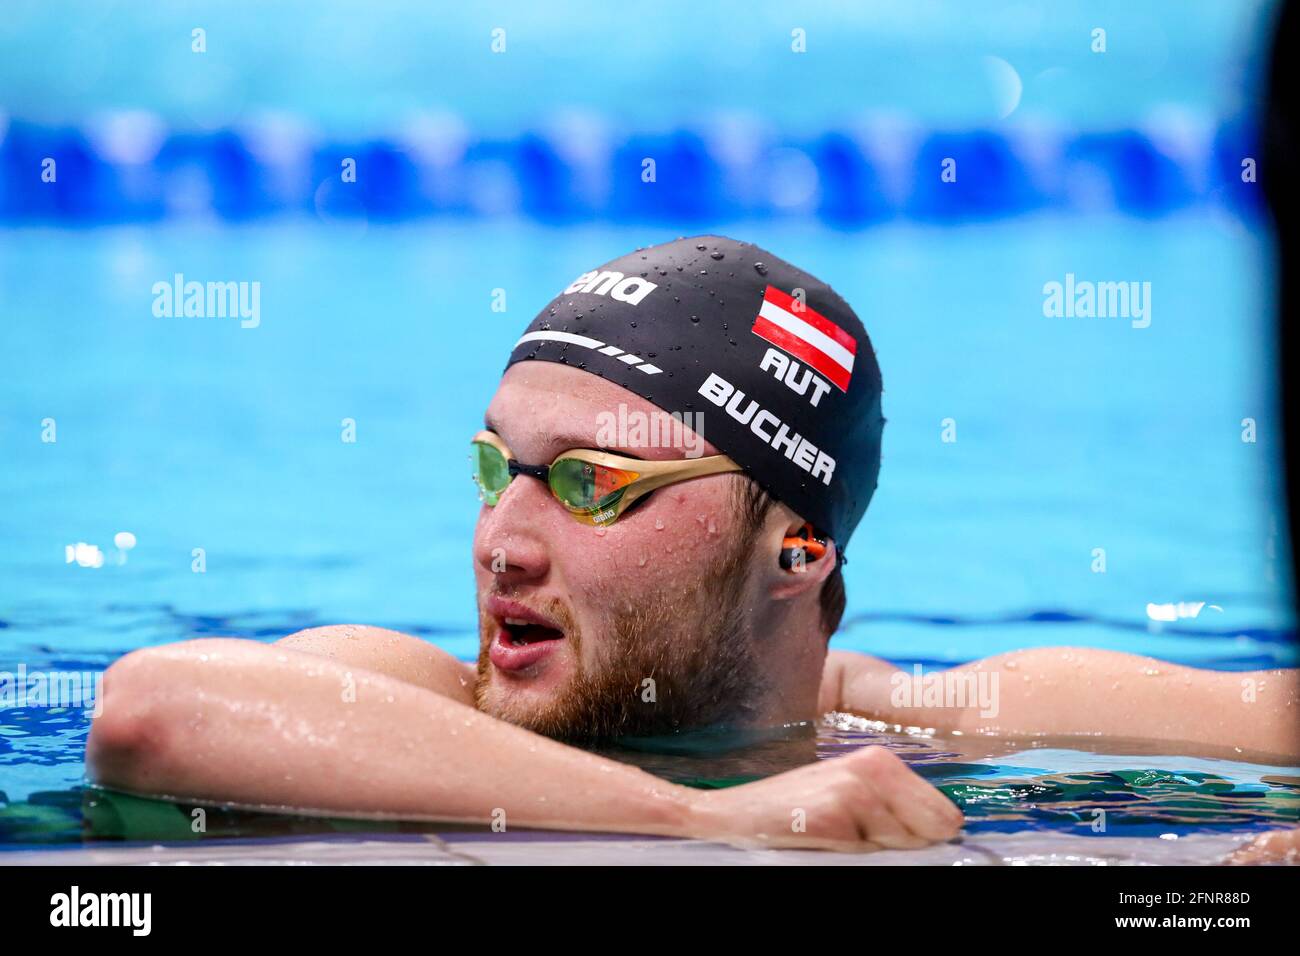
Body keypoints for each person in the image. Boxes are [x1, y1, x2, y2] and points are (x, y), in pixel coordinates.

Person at [86, 236, 1298, 851]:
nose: (502, 542)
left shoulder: (927, 719)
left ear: (798, 548)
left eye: (590, 482)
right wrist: (712, 824)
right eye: (493, 469)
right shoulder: (418, 695)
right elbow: (149, 714)